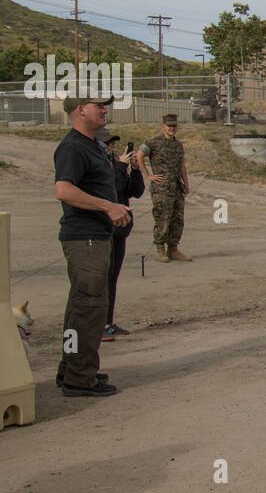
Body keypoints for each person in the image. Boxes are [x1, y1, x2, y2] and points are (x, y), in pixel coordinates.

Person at [53, 96, 131, 397]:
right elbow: (63, 189)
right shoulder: (72, 146)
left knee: (81, 308)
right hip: (84, 237)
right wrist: (108, 206)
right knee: (88, 308)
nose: (104, 110)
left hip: (95, 236)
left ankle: (73, 369)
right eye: (98, 105)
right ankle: (78, 379)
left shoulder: (91, 144)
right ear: (79, 110)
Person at [99, 131, 145, 341]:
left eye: (113, 145)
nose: (111, 148)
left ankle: (107, 322)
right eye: (108, 144)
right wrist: (120, 167)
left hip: (120, 229)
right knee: (103, 278)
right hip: (104, 229)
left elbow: (135, 191)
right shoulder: (100, 167)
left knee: (112, 278)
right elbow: (114, 191)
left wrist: (134, 169)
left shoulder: (116, 167)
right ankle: (100, 325)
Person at [138, 113, 191, 262]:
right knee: (162, 217)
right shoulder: (153, 142)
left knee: (177, 219)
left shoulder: (178, 145)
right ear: (163, 127)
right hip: (161, 188)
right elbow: (139, 155)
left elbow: (182, 165)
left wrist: (186, 184)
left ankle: (173, 249)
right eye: (169, 126)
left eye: (174, 126)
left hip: (176, 188)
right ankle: (160, 249)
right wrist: (148, 174)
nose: (172, 128)